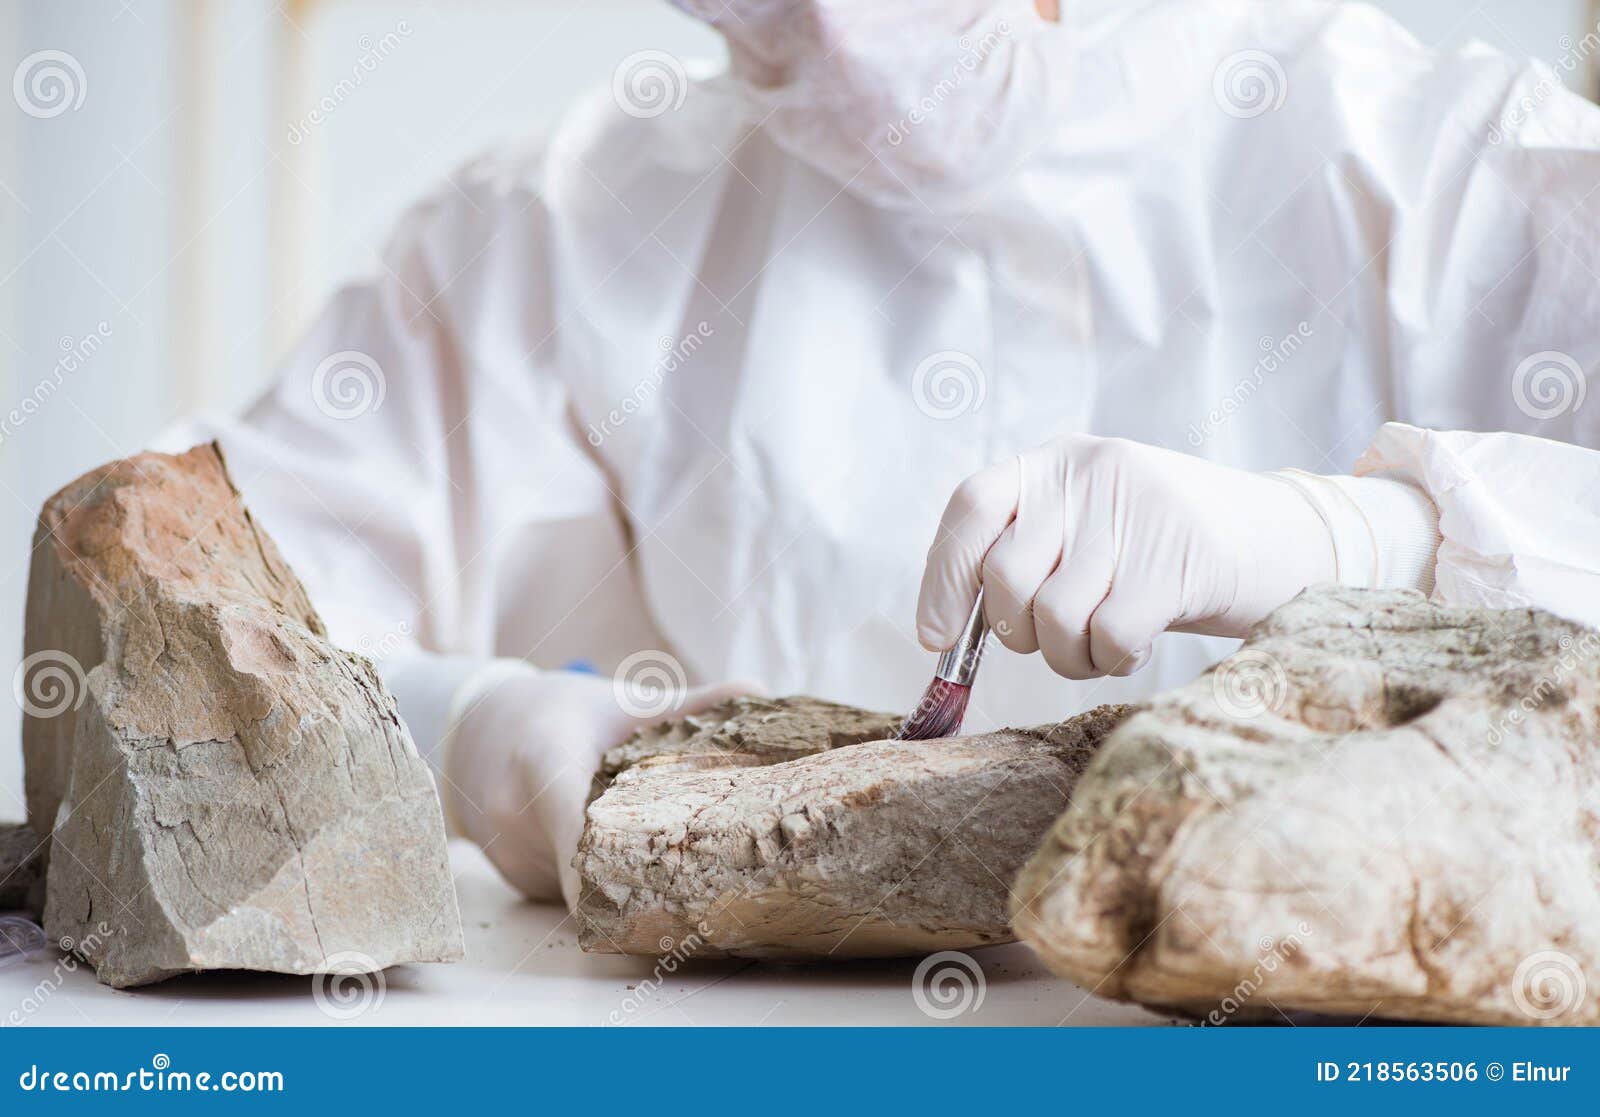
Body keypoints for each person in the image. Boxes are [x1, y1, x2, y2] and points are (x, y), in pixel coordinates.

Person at [162, 0, 1600, 907]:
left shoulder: (1442, 170)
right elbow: (173, 595)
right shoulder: (562, 228)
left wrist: (1365, 541)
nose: (845, 23)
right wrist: (459, 724)